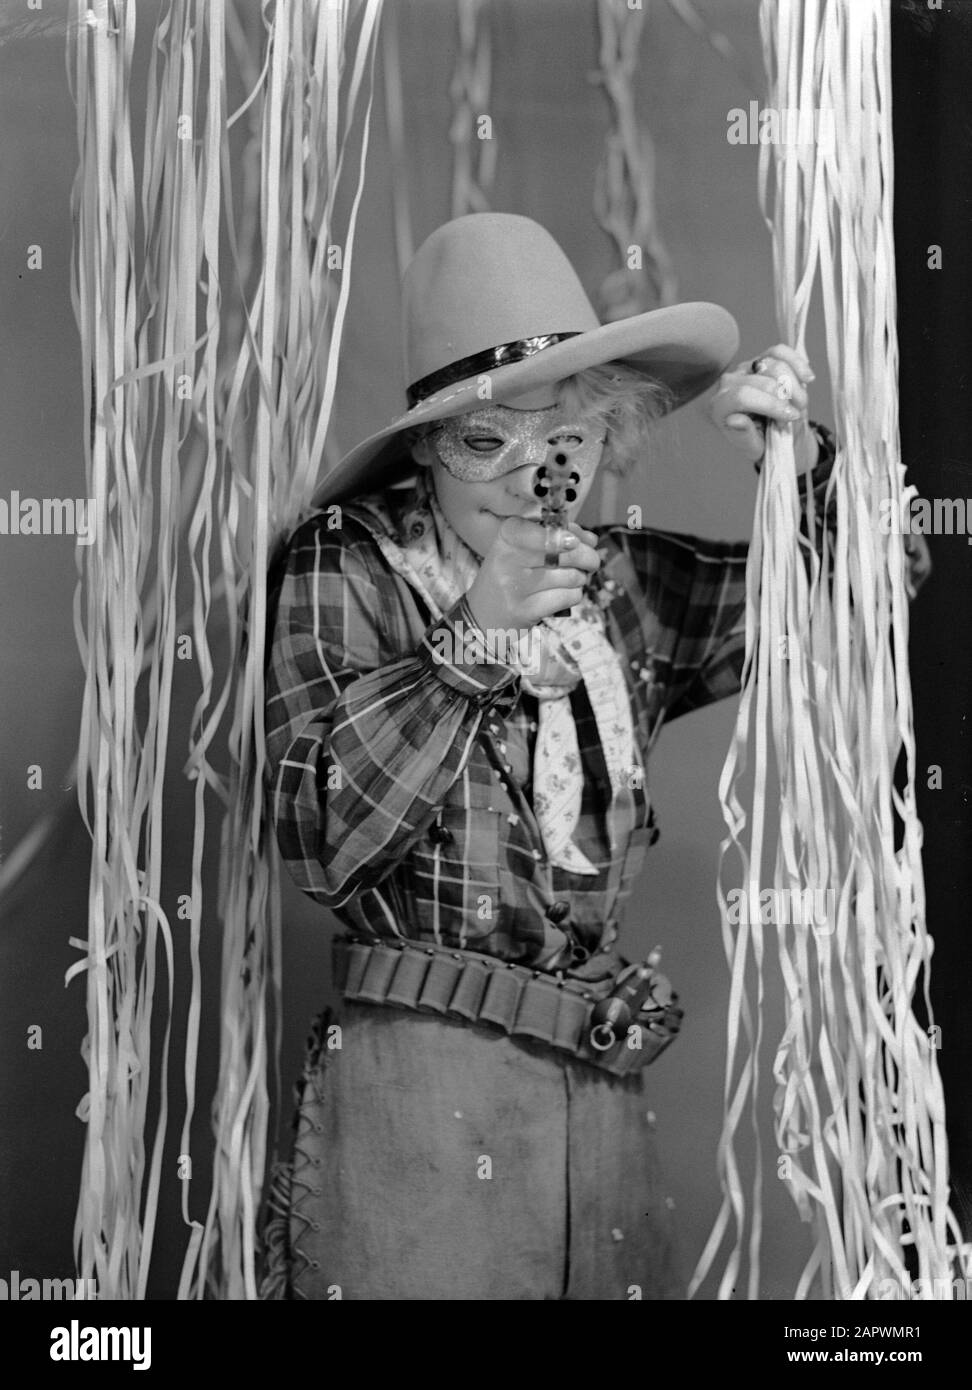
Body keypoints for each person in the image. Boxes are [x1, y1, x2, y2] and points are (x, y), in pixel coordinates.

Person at [259, 213, 928, 1301]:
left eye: (565, 439)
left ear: (604, 437)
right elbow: (315, 844)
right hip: (420, 1094)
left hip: (602, 1098)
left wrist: (795, 467)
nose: (535, 478)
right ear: (428, 445)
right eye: (489, 442)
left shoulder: (619, 584)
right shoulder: (350, 562)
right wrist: (472, 638)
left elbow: (866, 592)